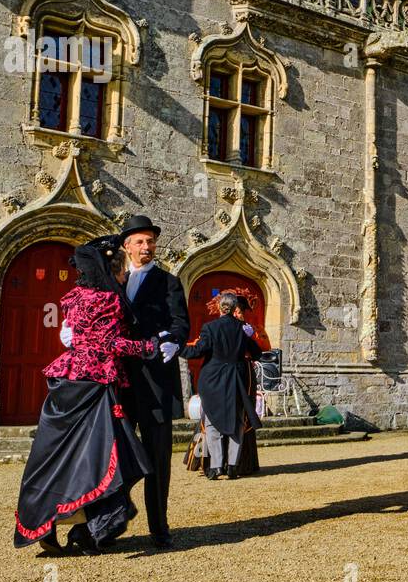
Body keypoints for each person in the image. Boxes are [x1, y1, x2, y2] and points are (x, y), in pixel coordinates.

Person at [14, 236, 171, 554]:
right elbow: (108, 343)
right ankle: (91, 527)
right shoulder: (108, 299)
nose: (126, 276)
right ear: (112, 269)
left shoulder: (74, 296)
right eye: (123, 269)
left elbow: (75, 336)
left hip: (66, 378)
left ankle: (49, 522)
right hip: (96, 384)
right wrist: (148, 346)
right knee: (96, 458)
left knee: (58, 455)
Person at [115, 215, 189, 548]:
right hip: (119, 381)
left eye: (151, 241)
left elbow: (181, 322)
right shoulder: (113, 280)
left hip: (156, 382)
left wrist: (175, 340)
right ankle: (110, 519)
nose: (148, 247)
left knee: (158, 457)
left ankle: (159, 527)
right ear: (127, 246)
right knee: (114, 451)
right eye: (141, 241)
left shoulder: (168, 282)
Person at [179, 293, 264, 480]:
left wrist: (178, 348)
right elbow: (257, 354)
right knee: (237, 423)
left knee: (211, 423)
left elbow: (197, 351)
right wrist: (250, 338)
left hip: (214, 379)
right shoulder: (243, 329)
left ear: (219, 308)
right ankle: (233, 466)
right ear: (235, 309)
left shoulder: (210, 327)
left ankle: (217, 466)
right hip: (237, 379)